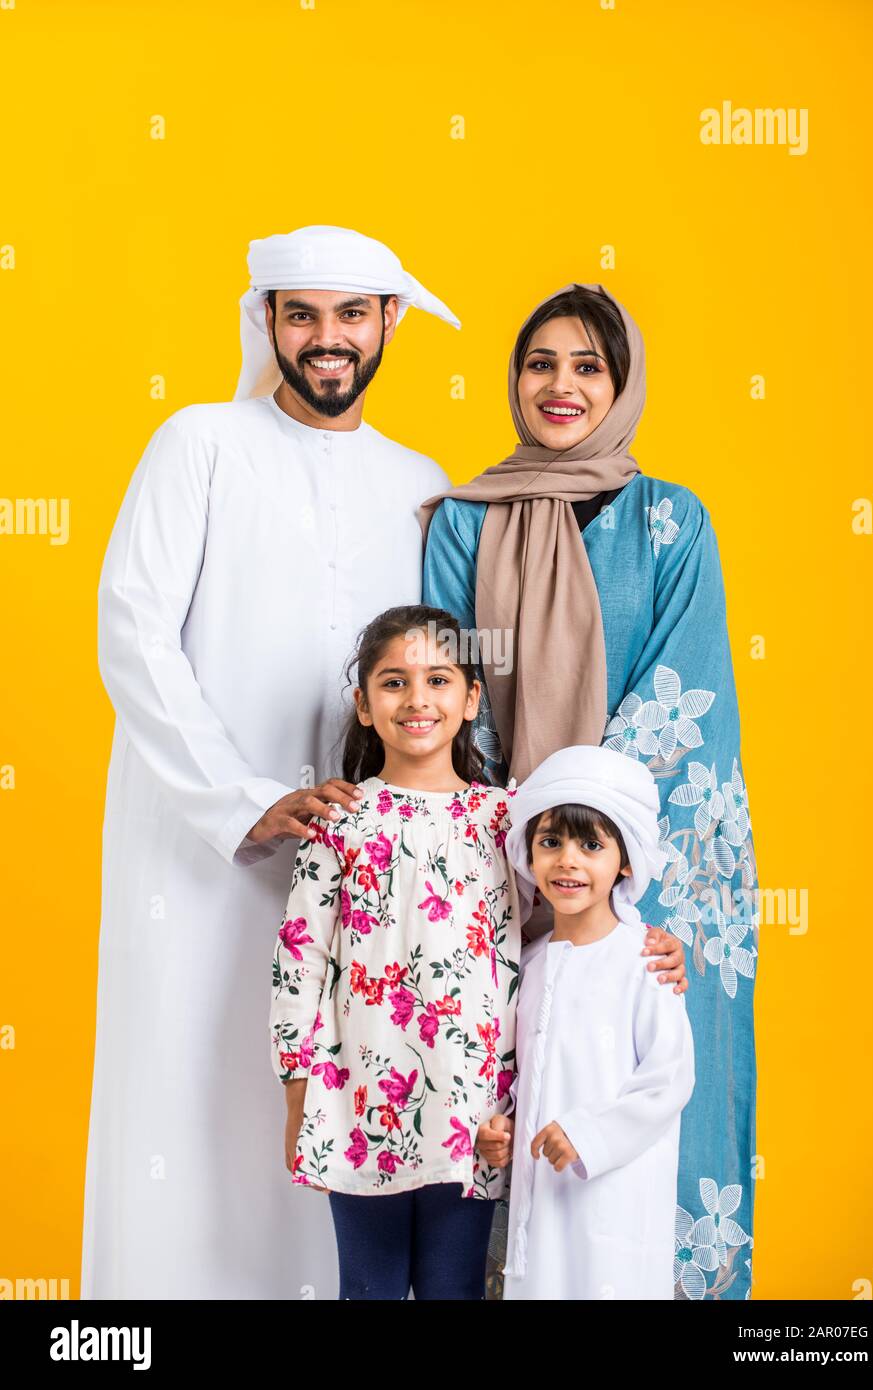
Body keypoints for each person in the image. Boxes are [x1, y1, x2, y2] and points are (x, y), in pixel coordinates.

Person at [82, 225, 462, 1300]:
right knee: (190, 1094)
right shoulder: (198, 442)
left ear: (390, 323)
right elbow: (134, 633)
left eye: (352, 314)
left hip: (363, 878)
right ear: (269, 324)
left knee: (340, 1096)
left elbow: (438, 670)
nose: (327, 338)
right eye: (302, 314)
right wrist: (245, 801)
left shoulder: (419, 481)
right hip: (202, 857)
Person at [420, 283, 756, 1299]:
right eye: (539, 364)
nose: (560, 386)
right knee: (509, 1101)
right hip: (502, 858)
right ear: (514, 380)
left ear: (621, 384)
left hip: (635, 866)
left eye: (587, 366)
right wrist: (525, 829)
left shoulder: (673, 521)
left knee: (650, 1079)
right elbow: (450, 690)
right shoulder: (462, 522)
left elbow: (687, 698)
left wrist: (591, 843)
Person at [269, 605, 521, 1299]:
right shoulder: (339, 819)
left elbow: (559, 931)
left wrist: (649, 943)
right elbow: (301, 959)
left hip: (474, 1109)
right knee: (369, 1290)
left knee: (454, 1288)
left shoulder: (505, 821)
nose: (417, 700)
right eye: (393, 682)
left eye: (439, 679)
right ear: (363, 703)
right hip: (356, 1104)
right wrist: (299, 1092)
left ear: (470, 699)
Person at [479, 744, 695, 1300]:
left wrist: (588, 1134)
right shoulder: (529, 962)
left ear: (624, 860)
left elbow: (669, 1080)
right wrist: (505, 1123)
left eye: (590, 845)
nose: (567, 861)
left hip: (612, 1195)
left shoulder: (645, 959)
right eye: (550, 842)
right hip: (538, 1195)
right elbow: (523, 1069)